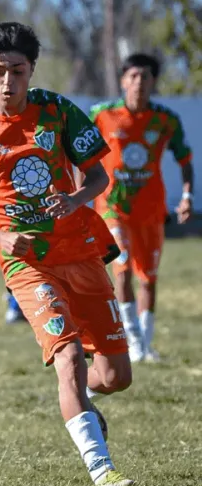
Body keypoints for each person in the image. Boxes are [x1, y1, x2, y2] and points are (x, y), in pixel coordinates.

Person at [0, 22, 134, 486]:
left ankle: (83, 402)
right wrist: (0, 237)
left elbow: (97, 179)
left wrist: (75, 199)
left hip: (81, 252)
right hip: (25, 262)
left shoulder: (59, 113)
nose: (9, 82)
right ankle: (102, 471)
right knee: (67, 355)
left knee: (114, 377)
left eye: (19, 71)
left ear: (32, 71)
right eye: (0, 71)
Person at [90, 53, 195, 362]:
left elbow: (185, 161)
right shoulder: (101, 115)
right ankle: (132, 341)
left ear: (153, 82)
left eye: (145, 76)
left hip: (150, 211)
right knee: (121, 271)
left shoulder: (165, 120)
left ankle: (146, 344)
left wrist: (187, 196)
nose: (139, 82)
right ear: (123, 81)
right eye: (133, 76)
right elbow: (76, 154)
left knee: (148, 277)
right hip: (112, 208)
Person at [4, 205, 121, 324]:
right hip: (44, 245)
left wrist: (75, 199)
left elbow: (86, 189)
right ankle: (15, 306)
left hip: (78, 240)